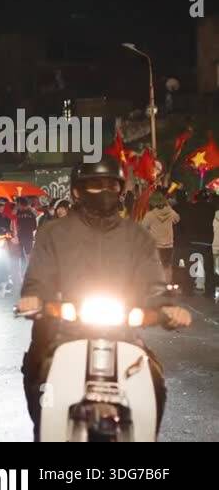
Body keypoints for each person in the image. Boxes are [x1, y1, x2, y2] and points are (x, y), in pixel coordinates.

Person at [17, 156, 191, 442]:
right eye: (95, 185)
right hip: (61, 330)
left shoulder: (137, 237)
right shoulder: (53, 233)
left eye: (111, 185)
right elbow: (37, 280)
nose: (104, 191)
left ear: (121, 190)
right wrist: (34, 299)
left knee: (155, 378)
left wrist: (167, 308)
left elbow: (154, 285)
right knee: (38, 375)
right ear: (76, 191)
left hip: (123, 332)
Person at [142, 192, 180, 284]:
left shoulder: (150, 215)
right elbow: (177, 219)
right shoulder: (171, 212)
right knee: (167, 266)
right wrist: (169, 207)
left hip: (155, 245)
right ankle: (166, 284)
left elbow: (142, 227)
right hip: (168, 245)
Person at [188, 189, 216, 299]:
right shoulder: (211, 209)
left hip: (194, 239)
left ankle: (189, 287)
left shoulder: (192, 208)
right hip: (207, 241)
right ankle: (209, 291)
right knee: (208, 268)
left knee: (191, 265)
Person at [16, 197, 37, 270]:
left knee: (20, 255)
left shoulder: (17, 213)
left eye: (18, 204)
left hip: (19, 237)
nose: (17, 206)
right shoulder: (31, 213)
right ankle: (30, 269)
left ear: (20, 204)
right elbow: (34, 227)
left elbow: (15, 225)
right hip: (28, 236)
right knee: (28, 254)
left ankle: (23, 270)